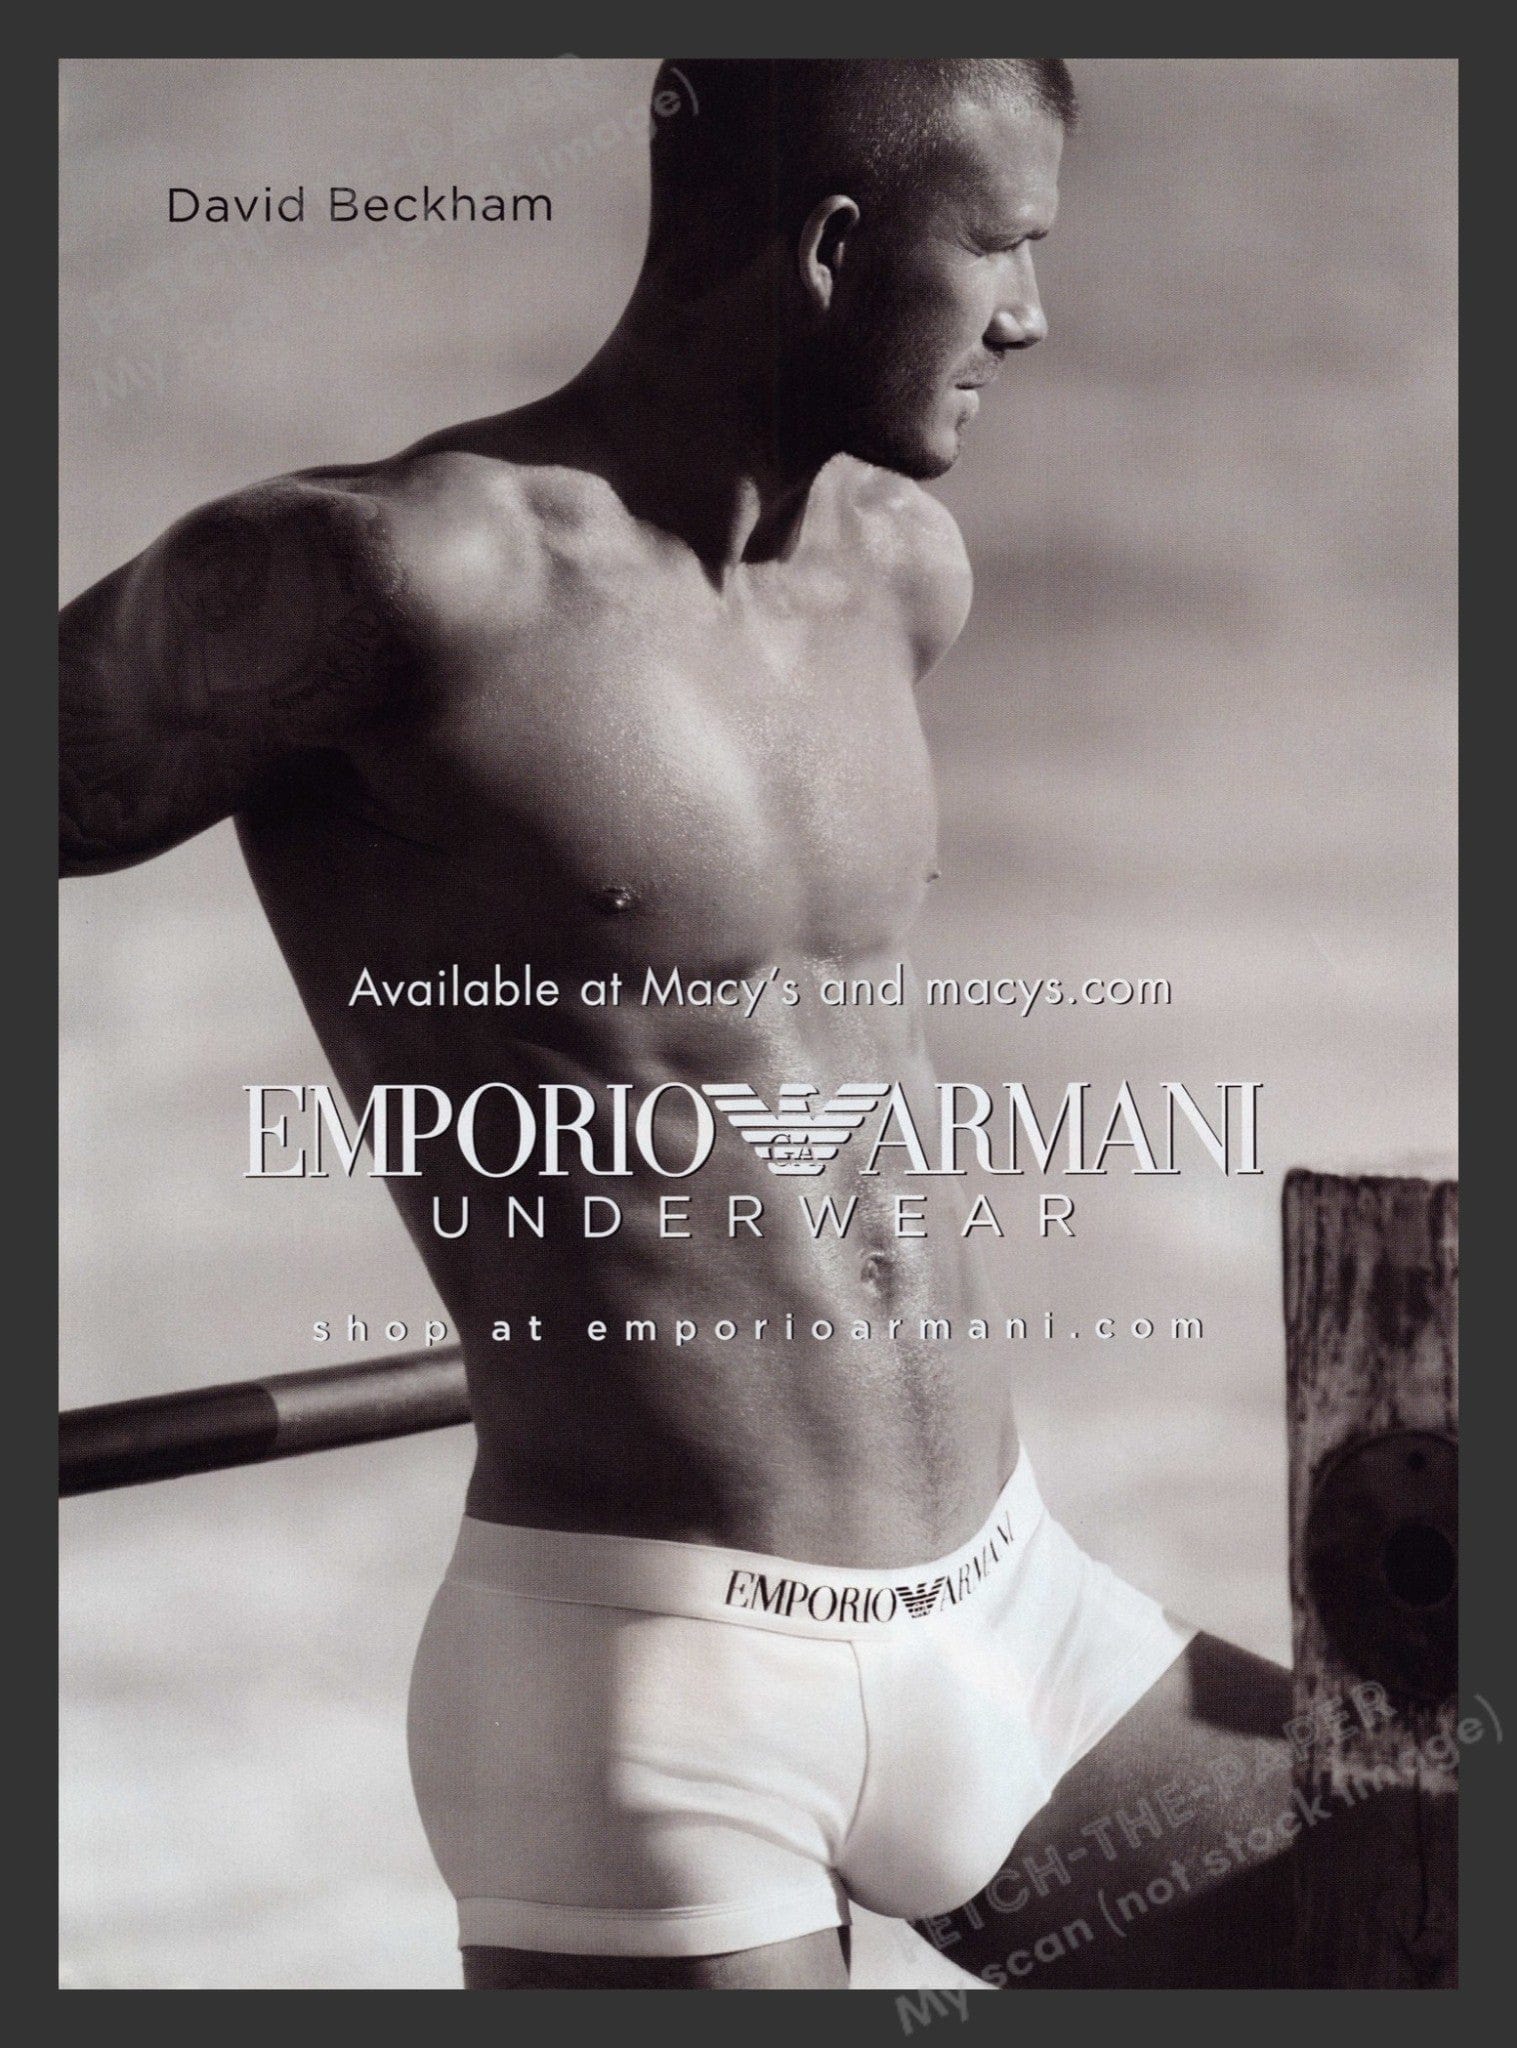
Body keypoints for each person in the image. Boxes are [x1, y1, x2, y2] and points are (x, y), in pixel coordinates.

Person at [60, 59, 1297, 1989]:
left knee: (1432, 1903)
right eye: (1000, 249)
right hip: (651, 1688)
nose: (1033, 317)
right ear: (833, 246)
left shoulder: (899, 574)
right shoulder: (386, 579)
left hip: (1014, 1618)